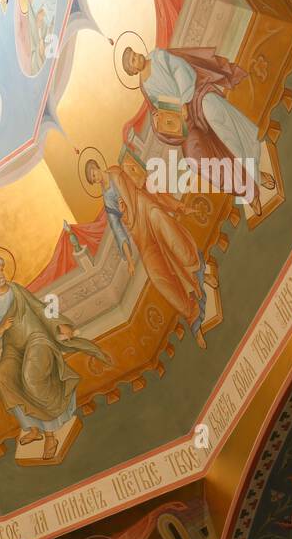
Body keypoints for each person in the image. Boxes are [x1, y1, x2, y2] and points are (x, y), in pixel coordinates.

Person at [0, 255, 110, 460]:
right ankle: (31, 428)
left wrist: (60, 324)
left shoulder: (16, 291)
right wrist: (0, 328)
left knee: (31, 378)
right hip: (13, 348)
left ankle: (49, 434)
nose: (2, 274)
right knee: (2, 375)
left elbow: (40, 307)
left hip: (36, 339)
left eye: (2, 270)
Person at [85, 156, 213, 347]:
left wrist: (178, 206)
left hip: (146, 207)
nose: (95, 178)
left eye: (93, 173)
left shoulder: (119, 171)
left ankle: (199, 273)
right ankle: (192, 315)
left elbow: (147, 184)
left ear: (97, 166)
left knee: (172, 237)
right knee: (157, 276)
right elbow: (119, 230)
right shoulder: (107, 201)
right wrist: (129, 259)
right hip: (138, 231)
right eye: (92, 179)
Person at [121, 45, 275, 197]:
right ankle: (241, 186)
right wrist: (159, 118)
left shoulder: (158, 57)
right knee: (194, 158)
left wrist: (184, 101)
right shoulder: (145, 88)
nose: (137, 57)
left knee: (219, 123)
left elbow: (180, 69)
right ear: (133, 71)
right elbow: (158, 108)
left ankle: (256, 174)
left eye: (134, 53)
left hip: (195, 96)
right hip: (185, 120)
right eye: (133, 60)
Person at [17, 0, 58, 75]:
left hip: (53, 21)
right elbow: (34, 35)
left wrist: (45, 10)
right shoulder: (30, 6)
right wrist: (39, 46)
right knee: (35, 61)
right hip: (45, 35)